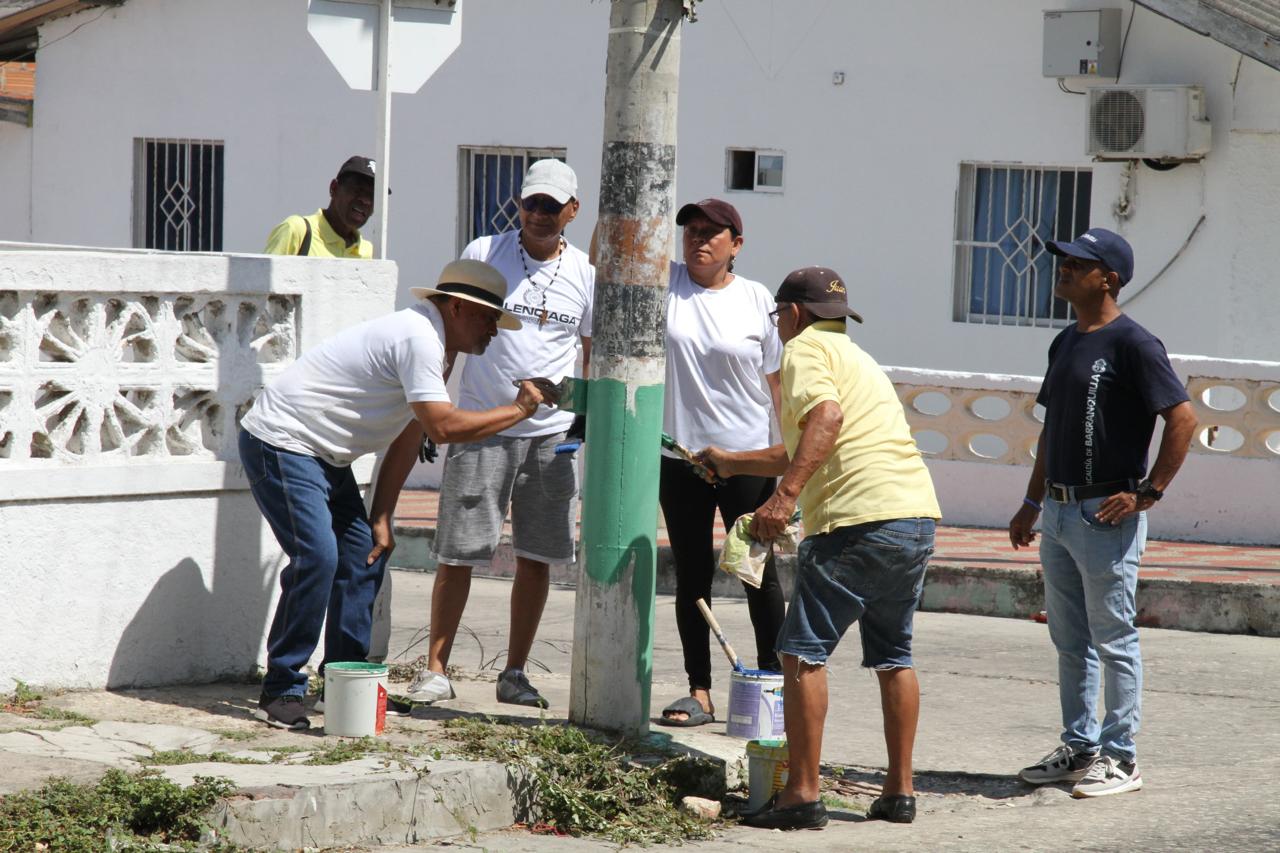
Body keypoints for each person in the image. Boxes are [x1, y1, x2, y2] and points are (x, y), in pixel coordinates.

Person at [239, 260, 556, 729]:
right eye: (488, 316)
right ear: (455, 307)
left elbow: (412, 435)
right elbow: (443, 427)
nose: (494, 329)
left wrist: (382, 514)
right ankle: (283, 688)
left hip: (326, 457)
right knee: (318, 557)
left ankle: (346, 683)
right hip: (282, 442)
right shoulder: (419, 338)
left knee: (364, 552)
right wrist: (518, 410)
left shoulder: (440, 347)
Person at [701, 266, 941, 830]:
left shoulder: (803, 349)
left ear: (792, 313)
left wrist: (783, 499)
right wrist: (731, 461)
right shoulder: (855, 357)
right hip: (913, 517)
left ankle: (802, 796)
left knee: (801, 653)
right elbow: (810, 443)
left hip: (857, 522)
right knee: (893, 655)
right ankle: (899, 792)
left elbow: (825, 420)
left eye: (777, 316)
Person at [1009, 228, 1196, 798]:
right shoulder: (1066, 341)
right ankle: (1079, 747)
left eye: (1076, 263)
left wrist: (1148, 492)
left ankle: (1121, 758)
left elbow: (1183, 419)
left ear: (1108, 277)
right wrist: (1031, 500)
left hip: (1105, 516)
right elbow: (1052, 430)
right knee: (1070, 639)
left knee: (1113, 638)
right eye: (1062, 261)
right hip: (1061, 513)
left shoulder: (1135, 344)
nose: (1062, 268)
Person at [408, 159, 593, 709]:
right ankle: (436, 669)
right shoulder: (483, 252)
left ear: (571, 212)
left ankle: (514, 672)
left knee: (537, 554)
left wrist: (581, 422)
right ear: (519, 204)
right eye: (531, 202)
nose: (538, 215)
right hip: (482, 422)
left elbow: (589, 349)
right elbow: (446, 329)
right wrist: (431, 404)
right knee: (458, 551)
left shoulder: (585, 273)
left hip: (551, 433)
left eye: (551, 206)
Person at [654, 198, 785, 727]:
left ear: (737, 244)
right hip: (681, 457)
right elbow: (607, 261)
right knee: (692, 574)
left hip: (747, 459)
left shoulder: (758, 300)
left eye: (713, 232)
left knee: (757, 574)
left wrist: (788, 473)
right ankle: (700, 690)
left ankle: (775, 687)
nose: (699, 239)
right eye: (690, 230)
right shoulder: (665, 285)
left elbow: (778, 389)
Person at [263, 156, 377, 258]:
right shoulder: (296, 231)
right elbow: (262, 279)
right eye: (358, 190)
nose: (366, 200)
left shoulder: (370, 254)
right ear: (334, 188)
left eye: (373, 196)